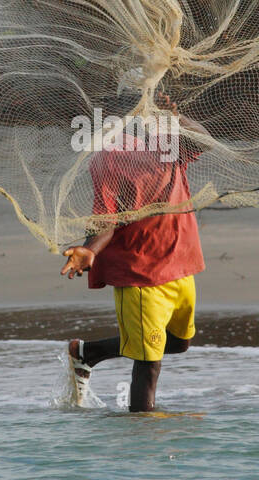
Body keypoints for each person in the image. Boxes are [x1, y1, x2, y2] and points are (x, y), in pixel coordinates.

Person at [59, 92, 205, 411]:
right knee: (148, 364)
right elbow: (105, 219)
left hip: (179, 262)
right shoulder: (110, 157)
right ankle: (144, 437)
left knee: (178, 344)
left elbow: (204, 142)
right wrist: (89, 251)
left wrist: (176, 116)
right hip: (141, 275)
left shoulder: (168, 138)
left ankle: (88, 353)